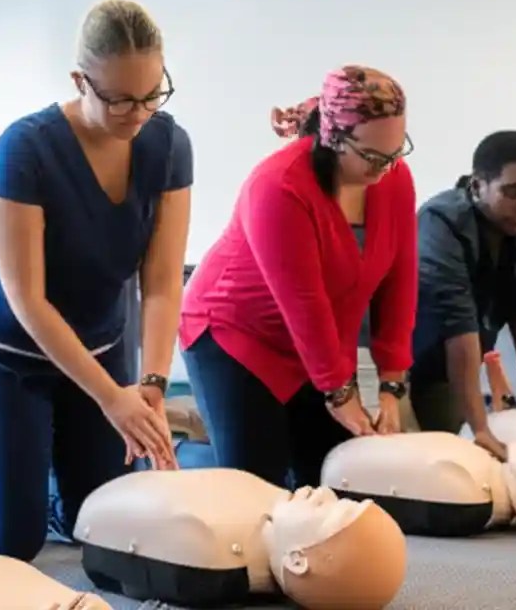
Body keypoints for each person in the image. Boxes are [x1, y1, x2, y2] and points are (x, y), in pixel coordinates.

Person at [0, 0, 192, 561]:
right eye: (119, 99)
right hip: (4, 352)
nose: (137, 114)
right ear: (80, 80)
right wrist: (113, 400)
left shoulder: (168, 143)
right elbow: (27, 299)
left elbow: (162, 282)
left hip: (100, 348)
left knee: (93, 523)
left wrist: (153, 385)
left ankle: (21, 472)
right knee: (11, 543)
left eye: (150, 95)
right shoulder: (26, 146)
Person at [177, 66, 416, 489]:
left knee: (336, 481)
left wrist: (391, 385)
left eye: (396, 154)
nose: (386, 169)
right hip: (236, 334)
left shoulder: (393, 179)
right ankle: (178, 458)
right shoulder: (278, 185)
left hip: (314, 346)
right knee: (256, 488)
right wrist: (340, 393)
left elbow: (400, 281)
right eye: (374, 157)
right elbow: (304, 303)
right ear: (334, 138)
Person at [407, 130, 516, 458]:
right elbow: (457, 321)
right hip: (408, 360)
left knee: (449, 453)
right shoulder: (440, 223)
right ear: (477, 186)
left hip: (460, 358)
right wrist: (480, 427)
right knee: (420, 457)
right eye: (513, 193)